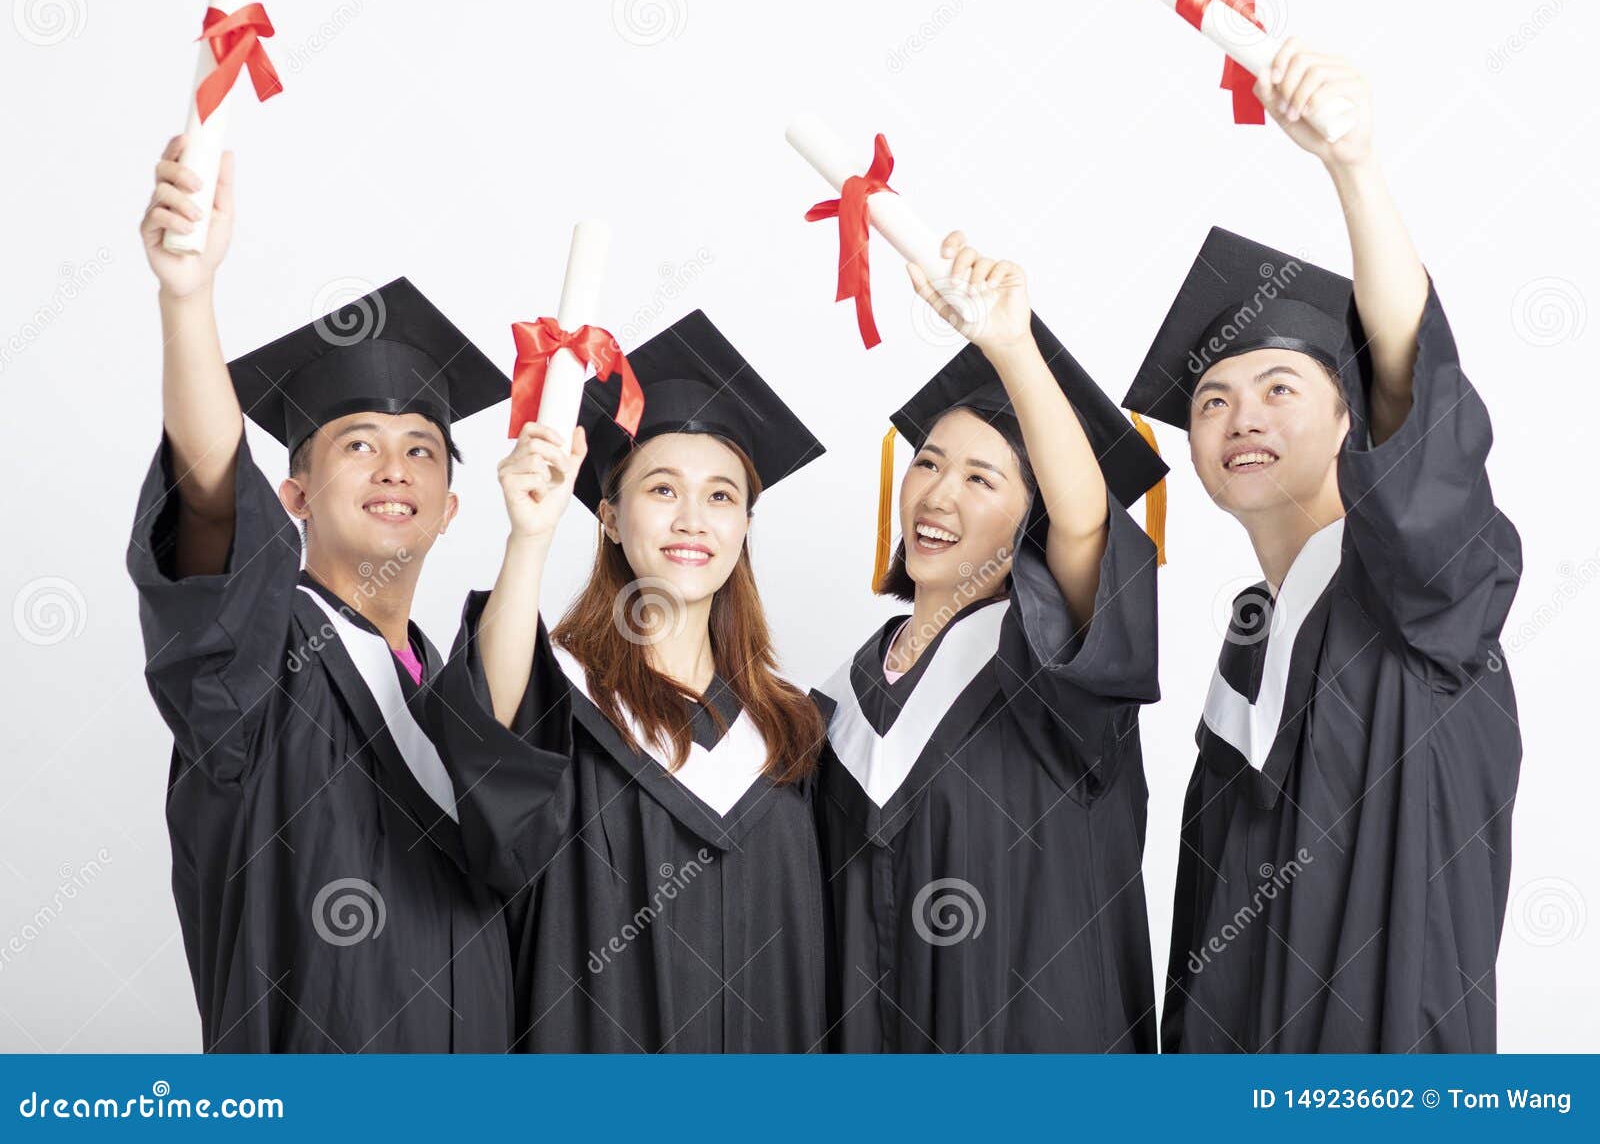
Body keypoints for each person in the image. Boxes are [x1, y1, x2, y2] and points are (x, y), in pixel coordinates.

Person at [1123, 42, 1523, 1052]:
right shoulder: (1248, 646)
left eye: (1278, 390)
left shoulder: (1424, 595)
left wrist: (1352, 165)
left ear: (1358, 424)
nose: (1238, 417)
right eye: (1211, 400)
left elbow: (1409, 381)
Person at [127, 136, 514, 1052]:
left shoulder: (466, 695)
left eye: (422, 448)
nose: (395, 468)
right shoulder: (258, 663)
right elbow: (216, 501)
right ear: (293, 495)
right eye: (357, 444)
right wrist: (188, 300)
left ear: (450, 506)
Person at [420, 310, 832, 1051]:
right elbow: (494, 723)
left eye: (720, 496)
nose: (692, 520)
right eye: (662, 489)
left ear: (743, 529)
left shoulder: (791, 729)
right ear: (609, 516)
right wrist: (530, 537)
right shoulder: (566, 698)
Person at [810, 232, 1169, 1051]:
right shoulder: (840, 697)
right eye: (928, 463)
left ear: (1031, 522)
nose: (937, 493)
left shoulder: (1054, 669)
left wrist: (1010, 345)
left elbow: (1086, 524)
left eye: (982, 477)